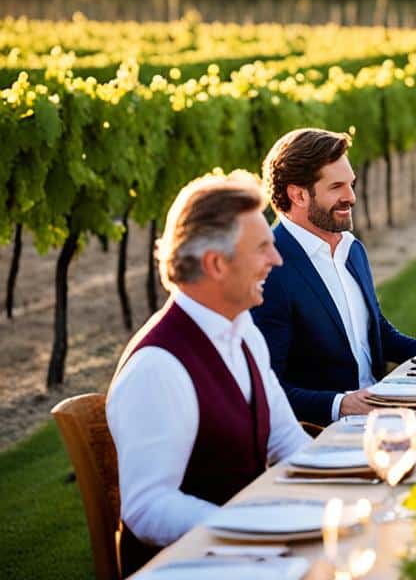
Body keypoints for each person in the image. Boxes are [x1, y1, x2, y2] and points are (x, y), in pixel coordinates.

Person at [106, 171, 312, 576]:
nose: (277, 259)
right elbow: (147, 506)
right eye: (262, 248)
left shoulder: (242, 329)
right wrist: (247, 529)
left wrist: (344, 485)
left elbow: (286, 440)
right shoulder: (158, 368)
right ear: (216, 264)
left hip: (253, 557)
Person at [253, 128, 416, 427]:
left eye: (351, 184)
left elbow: (378, 335)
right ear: (298, 195)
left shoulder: (351, 248)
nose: (351, 197)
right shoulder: (270, 269)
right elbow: (267, 387)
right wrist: (340, 404)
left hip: (379, 418)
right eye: (337, 186)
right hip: (323, 435)